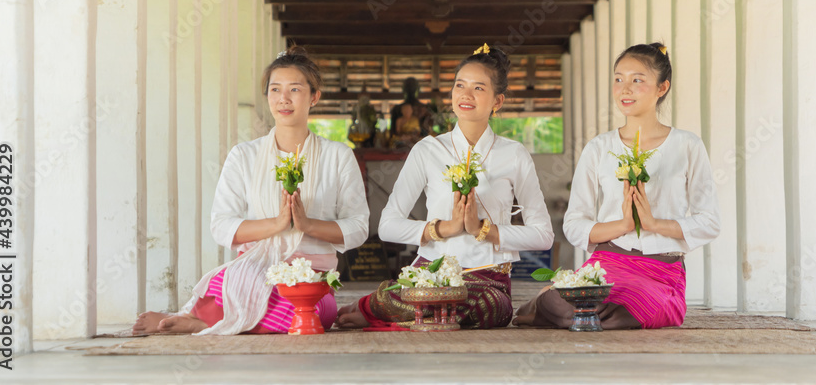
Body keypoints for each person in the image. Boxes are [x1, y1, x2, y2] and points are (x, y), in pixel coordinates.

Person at [132, 46, 369, 335]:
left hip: (311, 279)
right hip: (255, 269)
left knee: (310, 316)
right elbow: (221, 226)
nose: (283, 99)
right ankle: (219, 318)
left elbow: (358, 227)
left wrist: (307, 225)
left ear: (314, 96)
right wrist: (277, 224)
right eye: (275, 89)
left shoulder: (338, 156)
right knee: (238, 286)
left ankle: (210, 322)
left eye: (294, 89)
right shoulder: (243, 155)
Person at [337, 44, 554, 329]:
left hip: (487, 280)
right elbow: (388, 225)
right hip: (431, 276)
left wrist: (483, 230)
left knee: (492, 307)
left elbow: (543, 236)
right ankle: (406, 309)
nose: (465, 94)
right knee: (418, 294)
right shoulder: (428, 150)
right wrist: (443, 229)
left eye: (478, 88)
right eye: (459, 85)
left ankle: (392, 311)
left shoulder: (514, 154)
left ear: (497, 101)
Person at [514, 42, 720, 329]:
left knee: (631, 310)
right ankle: (555, 303)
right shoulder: (599, 147)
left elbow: (709, 222)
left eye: (637, 80)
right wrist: (623, 225)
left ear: (662, 88)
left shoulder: (687, 146)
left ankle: (555, 308)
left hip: (659, 271)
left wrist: (653, 223)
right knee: (583, 302)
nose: (625, 89)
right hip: (606, 264)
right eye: (618, 79)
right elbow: (574, 223)